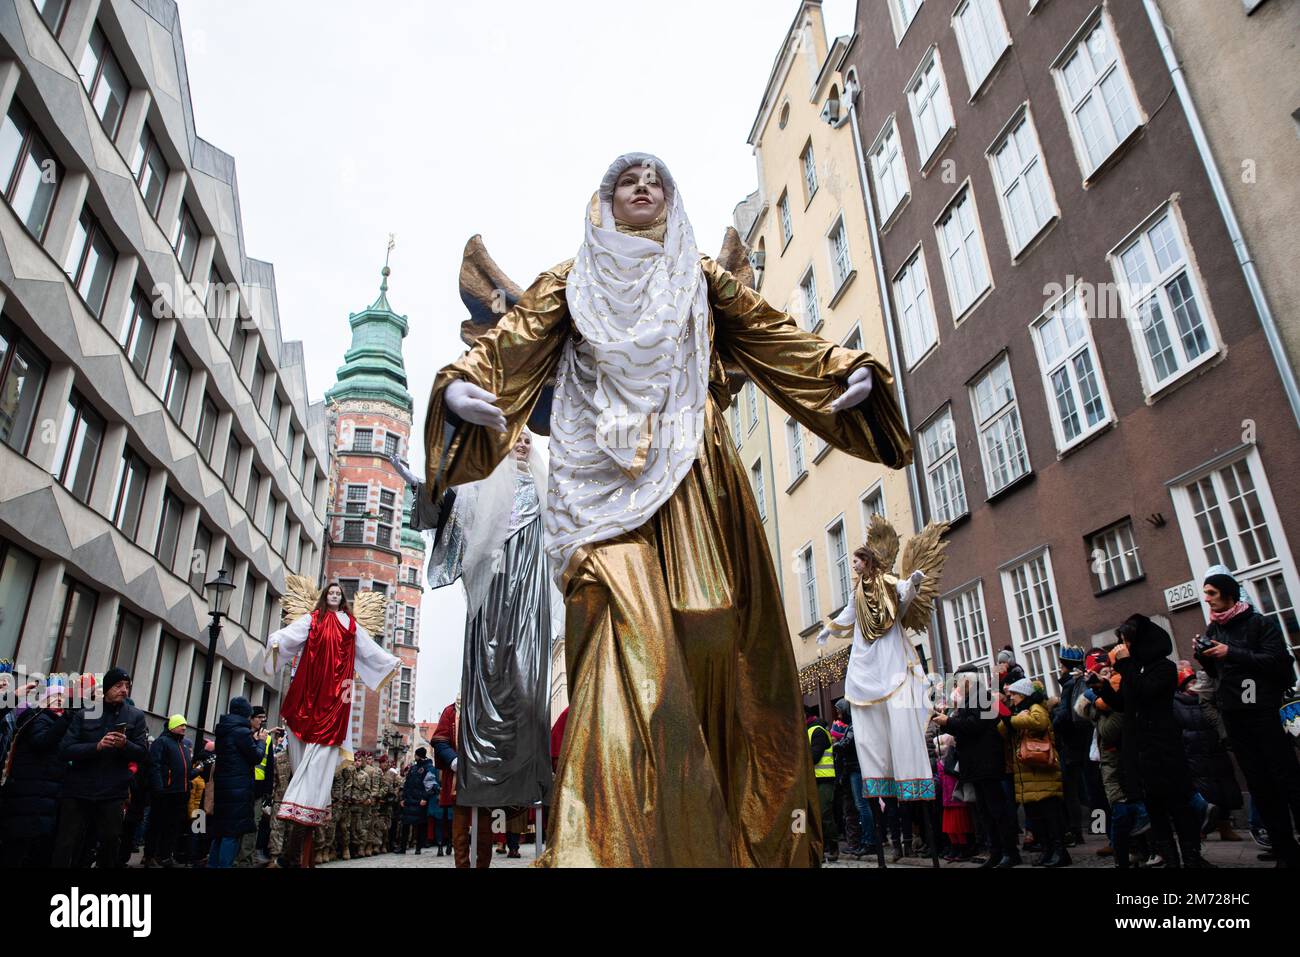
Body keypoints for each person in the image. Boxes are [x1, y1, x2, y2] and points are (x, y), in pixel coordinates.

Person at [423, 152, 910, 867]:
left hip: (693, 475)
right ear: (607, 199)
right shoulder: (571, 281)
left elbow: (774, 332)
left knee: (709, 629)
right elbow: (513, 341)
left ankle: (708, 841)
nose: (644, 186)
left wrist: (842, 369)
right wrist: (467, 386)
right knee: (622, 634)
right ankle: (602, 850)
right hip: (599, 492)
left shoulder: (699, 276)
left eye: (656, 178)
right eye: (629, 179)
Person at [816, 519, 945, 864]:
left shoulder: (885, 581)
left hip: (887, 649)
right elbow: (848, 615)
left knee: (897, 697)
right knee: (866, 699)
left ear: (867, 562)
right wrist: (829, 630)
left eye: (857, 561)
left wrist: (915, 582)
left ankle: (910, 782)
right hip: (866, 655)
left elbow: (903, 591)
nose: (853, 565)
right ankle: (885, 789)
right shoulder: (857, 593)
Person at [264, 581, 398, 866]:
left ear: (343, 599)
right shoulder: (313, 620)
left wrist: (388, 661)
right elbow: (291, 634)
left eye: (339, 594)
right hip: (311, 690)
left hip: (337, 695)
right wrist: (277, 640)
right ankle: (295, 842)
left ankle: (298, 837)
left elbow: (368, 648)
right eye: (331, 593)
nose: (335, 597)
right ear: (325, 597)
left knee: (320, 759)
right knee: (307, 756)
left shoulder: (350, 625)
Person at [1195, 566, 1300, 867]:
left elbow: (1276, 662)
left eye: (1212, 594)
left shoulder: (1259, 624)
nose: (1207, 599)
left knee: (1287, 779)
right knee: (1260, 785)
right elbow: (1220, 674)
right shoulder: (1215, 628)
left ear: (1229, 595)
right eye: (1205, 594)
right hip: (1235, 714)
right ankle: (1284, 847)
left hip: (1263, 711)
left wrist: (1231, 652)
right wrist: (1205, 656)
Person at [1101, 616, 1210, 868]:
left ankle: (1191, 858)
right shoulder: (1133, 668)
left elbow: (1146, 692)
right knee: (1155, 810)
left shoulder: (1163, 667)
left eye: (1126, 640)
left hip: (1164, 747)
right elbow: (1125, 703)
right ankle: (1171, 860)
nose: (1123, 645)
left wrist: (1126, 664)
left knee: (1179, 807)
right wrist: (1103, 689)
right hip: (1142, 751)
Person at [51, 667, 149, 868]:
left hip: (112, 792)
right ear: (106, 689)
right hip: (78, 790)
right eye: (118, 685)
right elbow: (65, 750)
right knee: (67, 842)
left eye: (127, 686)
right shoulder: (85, 713)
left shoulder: (136, 716)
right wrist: (96, 746)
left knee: (110, 842)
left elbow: (142, 753)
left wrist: (125, 745)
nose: (124, 690)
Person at [935, 667, 1018, 868]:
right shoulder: (970, 700)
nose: (955, 687)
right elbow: (964, 725)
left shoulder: (982, 698)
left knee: (996, 809)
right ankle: (996, 851)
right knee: (984, 811)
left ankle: (1010, 852)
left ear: (967, 682)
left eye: (957, 683)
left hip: (986, 761)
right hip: (974, 763)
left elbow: (974, 725)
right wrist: (947, 723)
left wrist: (949, 721)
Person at [1076, 659, 1149, 868]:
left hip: (1118, 760)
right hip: (1105, 759)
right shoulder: (1097, 708)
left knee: (1120, 809)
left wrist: (1097, 709)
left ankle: (1125, 853)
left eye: (1109, 673)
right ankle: (1127, 850)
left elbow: (1107, 731)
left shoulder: (1115, 707)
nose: (1106, 677)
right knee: (1108, 804)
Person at [0, 683, 70, 867]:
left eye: (62, 698)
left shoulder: (60, 724)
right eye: (55, 697)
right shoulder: (38, 718)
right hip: (27, 800)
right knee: (17, 852)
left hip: (44, 801)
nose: (60, 701)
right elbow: (42, 742)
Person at [1002, 677, 1070, 867]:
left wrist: (1014, 718)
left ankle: (1060, 851)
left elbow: (1039, 723)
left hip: (1041, 772)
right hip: (1027, 775)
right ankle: (1048, 850)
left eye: (1014, 694)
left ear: (1023, 694)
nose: (1011, 698)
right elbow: (1002, 729)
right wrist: (1012, 717)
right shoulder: (1019, 711)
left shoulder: (1036, 708)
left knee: (1050, 814)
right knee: (1037, 817)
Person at [1173, 668, 1243, 840]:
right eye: (1190, 682)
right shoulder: (1175, 703)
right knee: (1203, 792)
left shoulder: (1206, 700)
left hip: (1214, 749)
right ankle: (1201, 829)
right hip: (1193, 753)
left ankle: (1225, 827)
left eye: (1195, 681)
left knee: (1224, 789)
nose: (1194, 685)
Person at [432, 697, 492, 867]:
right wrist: (453, 761)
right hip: (458, 780)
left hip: (485, 779)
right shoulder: (451, 711)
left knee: (484, 831)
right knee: (460, 832)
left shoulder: (491, 707)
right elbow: (440, 740)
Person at [208, 697, 264, 869]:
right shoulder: (241, 732)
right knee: (231, 835)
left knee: (220, 832)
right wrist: (260, 741)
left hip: (224, 787)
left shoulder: (224, 730)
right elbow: (255, 756)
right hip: (237, 790)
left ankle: (213, 865)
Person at [1051, 646, 1091, 846]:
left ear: (1065, 666)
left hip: (1071, 744)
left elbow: (1065, 715)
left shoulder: (1068, 685)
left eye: (1061, 664)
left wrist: (1053, 717)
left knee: (1071, 791)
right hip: (1084, 742)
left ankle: (1076, 832)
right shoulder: (1082, 680)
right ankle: (1098, 827)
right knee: (1089, 787)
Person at [143, 714, 191, 868]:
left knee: (172, 827)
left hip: (180, 793)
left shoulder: (183, 746)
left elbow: (184, 770)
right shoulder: (162, 742)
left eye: (185, 725)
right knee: (157, 826)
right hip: (165, 793)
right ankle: (150, 856)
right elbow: (154, 766)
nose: (184, 728)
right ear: (172, 726)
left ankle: (164, 856)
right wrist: (158, 788)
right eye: (180, 724)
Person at [806, 706, 838, 864]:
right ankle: (820, 848)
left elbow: (814, 756)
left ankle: (832, 847)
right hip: (813, 780)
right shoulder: (807, 730)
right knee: (813, 816)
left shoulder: (817, 731)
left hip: (824, 780)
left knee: (824, 814)